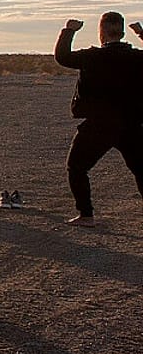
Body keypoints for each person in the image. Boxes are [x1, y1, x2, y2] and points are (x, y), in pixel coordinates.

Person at [54, 13, 143, 226]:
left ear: (101, 32)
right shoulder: (138, 58)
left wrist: (69, 31)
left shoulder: (91, 57)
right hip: (131, 123)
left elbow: (62, 57)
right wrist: (141, 33)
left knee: (76, 167)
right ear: (122, 32)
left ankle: (86, 215)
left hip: (99, 124)